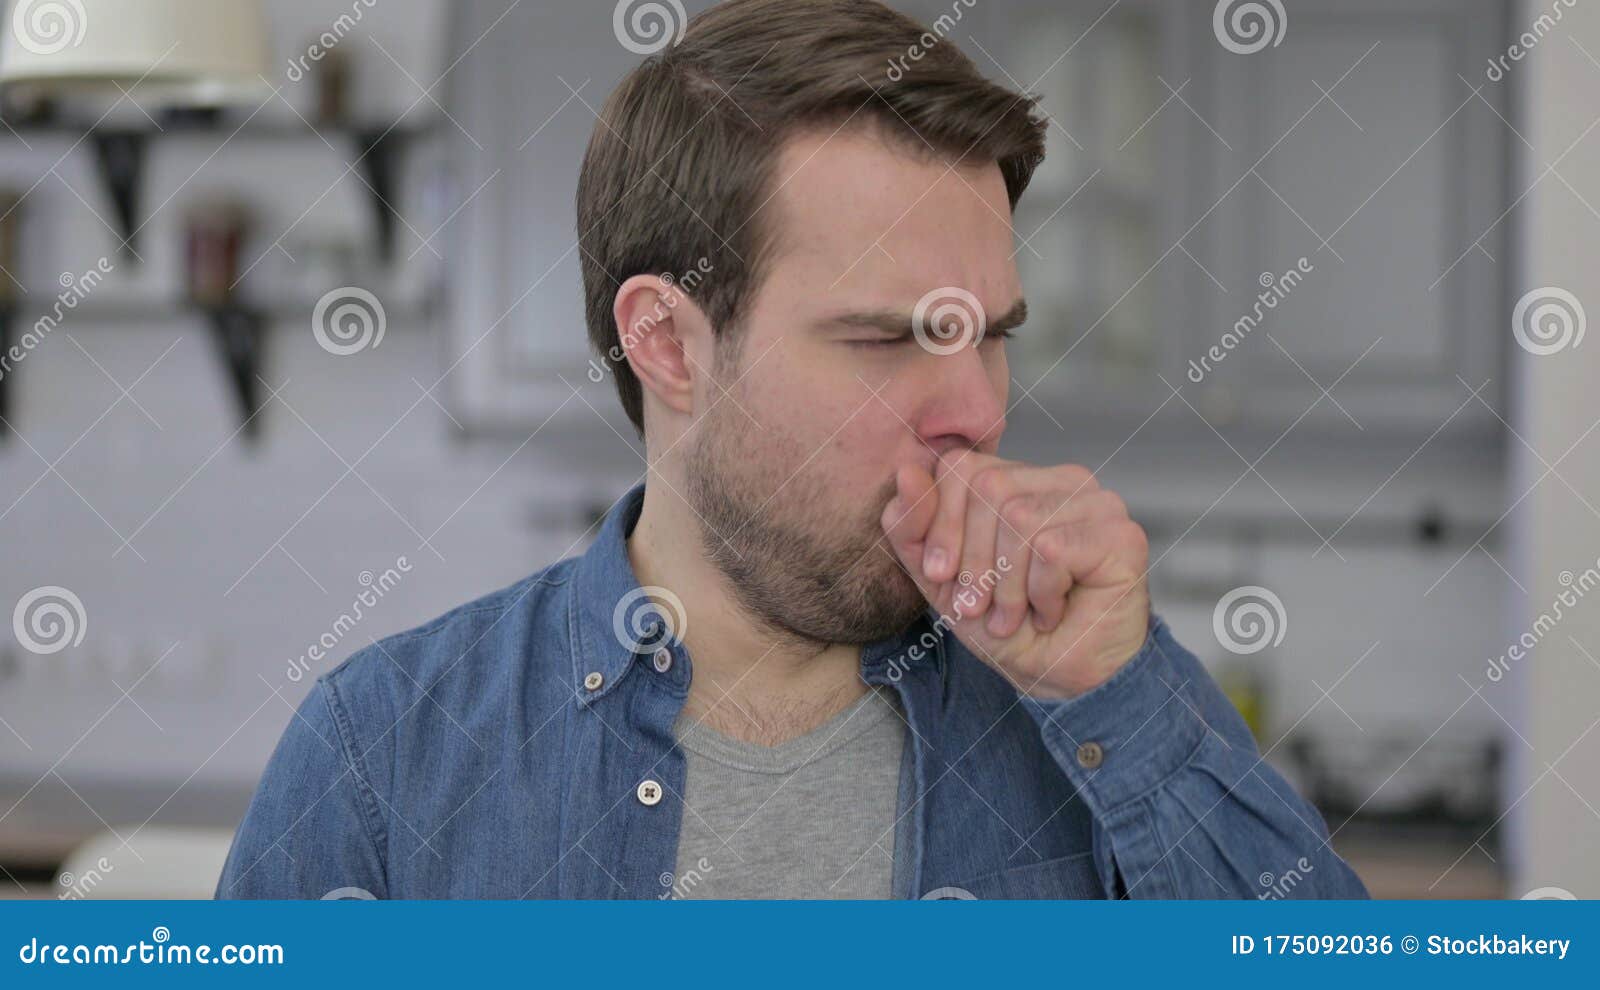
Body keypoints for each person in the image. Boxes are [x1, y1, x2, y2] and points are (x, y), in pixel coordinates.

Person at [218, 0, 1367, 900]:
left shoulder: (1098, 717)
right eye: (888, 336)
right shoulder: (386, 758)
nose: (976, 409)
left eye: (990, 337)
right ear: (666, 342)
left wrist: (1122, 701)